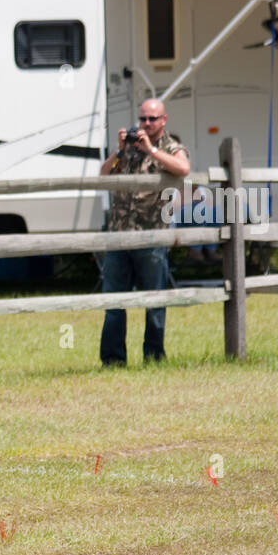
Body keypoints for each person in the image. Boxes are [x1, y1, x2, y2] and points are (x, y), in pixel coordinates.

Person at [98, 98, 191, 366]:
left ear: (164, 120)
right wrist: (118, 151)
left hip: (151, 237)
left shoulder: (170, 146)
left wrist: (151, 150)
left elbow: (183, 169)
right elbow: (103, 178)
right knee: (114, 304)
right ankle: (113, 360)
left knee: (154, 303)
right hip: (119, 238)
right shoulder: (127, 150)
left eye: (152, 119)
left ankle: (153, 358)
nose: (146, 124)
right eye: (142, 119)